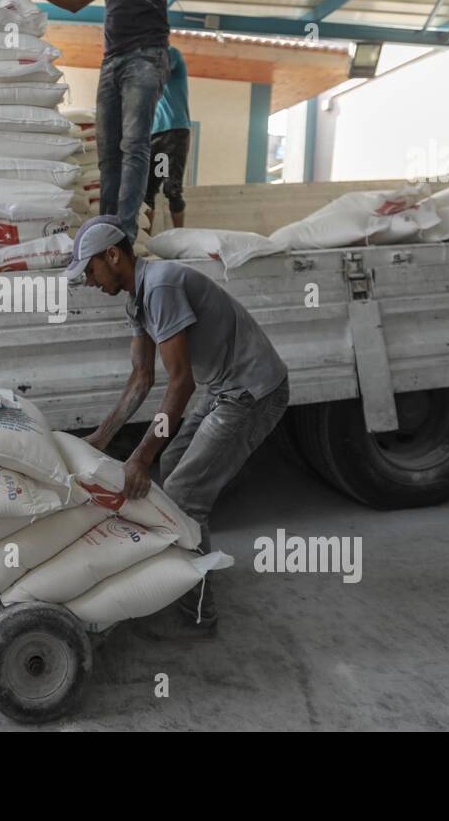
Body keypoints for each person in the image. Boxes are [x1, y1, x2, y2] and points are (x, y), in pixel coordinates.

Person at [64, 215, 291, 632]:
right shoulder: (137, 299)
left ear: (113, 255)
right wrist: (102, 436)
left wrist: (139, 457)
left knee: (186, 491)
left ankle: (199, 609)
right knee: (173, 470)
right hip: (223, 389)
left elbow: (181, 382)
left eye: (91, 269)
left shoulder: (163, 285)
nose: (90, 282)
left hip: (251, 392)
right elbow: (142, 379)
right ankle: (188, 575)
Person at [25, 0, 169, 241]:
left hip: (145, 55)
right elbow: (74, 1)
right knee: (107, 153)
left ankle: (123, 232)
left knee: (134, 144)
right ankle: (107, 229)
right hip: (113, 59)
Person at [147, 45, 190, 228]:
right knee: (148, 192)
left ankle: (180, 238)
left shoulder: (171, 54)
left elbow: (160, 71)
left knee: (172, 189)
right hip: (155, 135)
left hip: (174, 133)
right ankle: (145, 244)